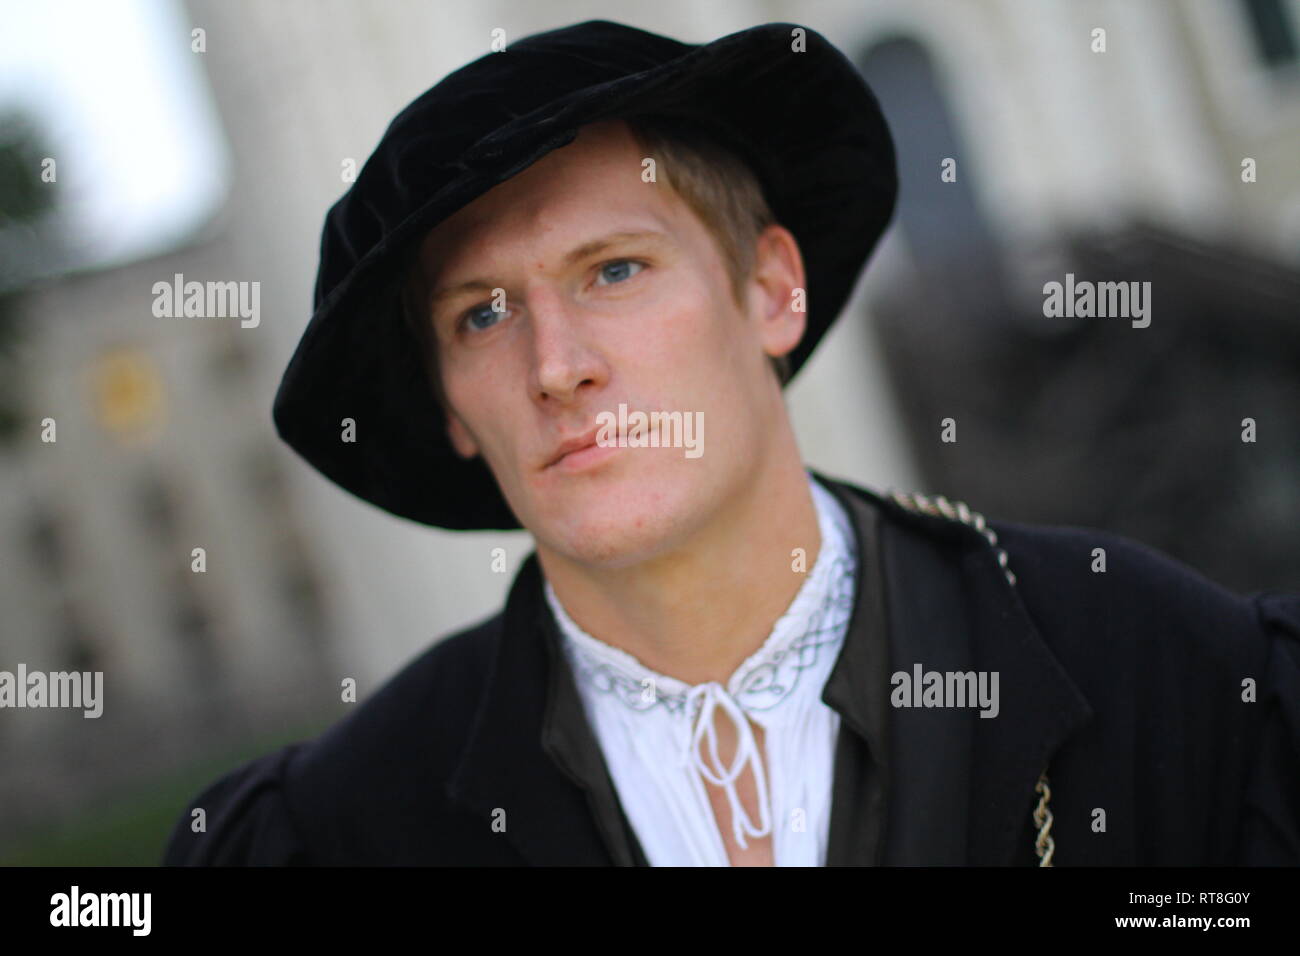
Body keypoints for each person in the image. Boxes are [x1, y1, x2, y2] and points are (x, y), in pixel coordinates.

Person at [162, 19, 1300, 867]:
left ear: (770, 290)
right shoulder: (346, 829)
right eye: (483, 312)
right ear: (453, 407)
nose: (556, 364)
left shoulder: (1167, 676)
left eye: (613, 269)